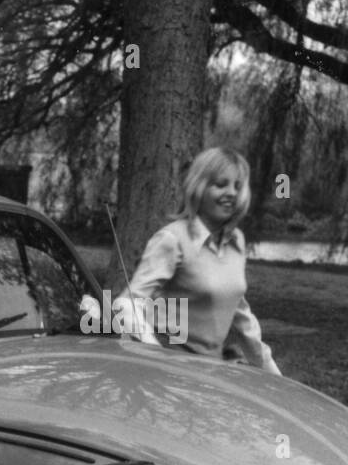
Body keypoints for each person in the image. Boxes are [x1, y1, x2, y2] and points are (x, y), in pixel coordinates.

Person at [112, 146, 281, 375]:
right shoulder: (173, 239)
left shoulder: (236, 241)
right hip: (170, 365)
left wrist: (274, 375)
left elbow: (240, 312)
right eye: (221, 184)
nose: (231, 192)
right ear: (199, 187)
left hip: (211, 367)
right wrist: (155, 355)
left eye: (237, 186)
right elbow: (126, 304)